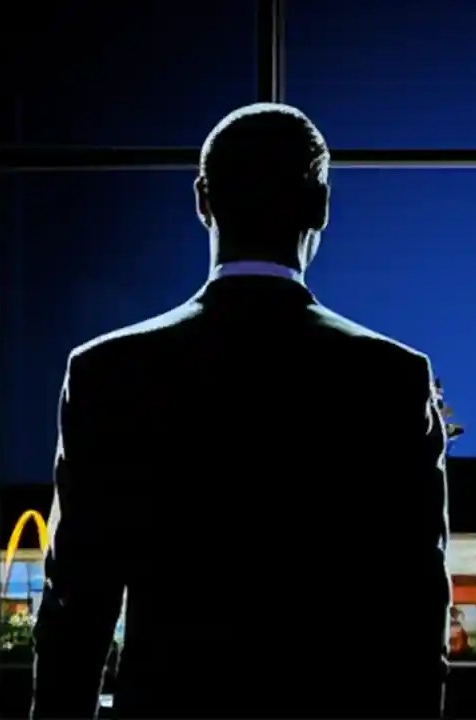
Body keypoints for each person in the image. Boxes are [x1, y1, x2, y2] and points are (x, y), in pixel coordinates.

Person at [30, 103, 451, 719]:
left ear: (203, 201)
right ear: (320, 205)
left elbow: (76, 603)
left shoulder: (109, 372)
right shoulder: (389, 378)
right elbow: (414, 606)